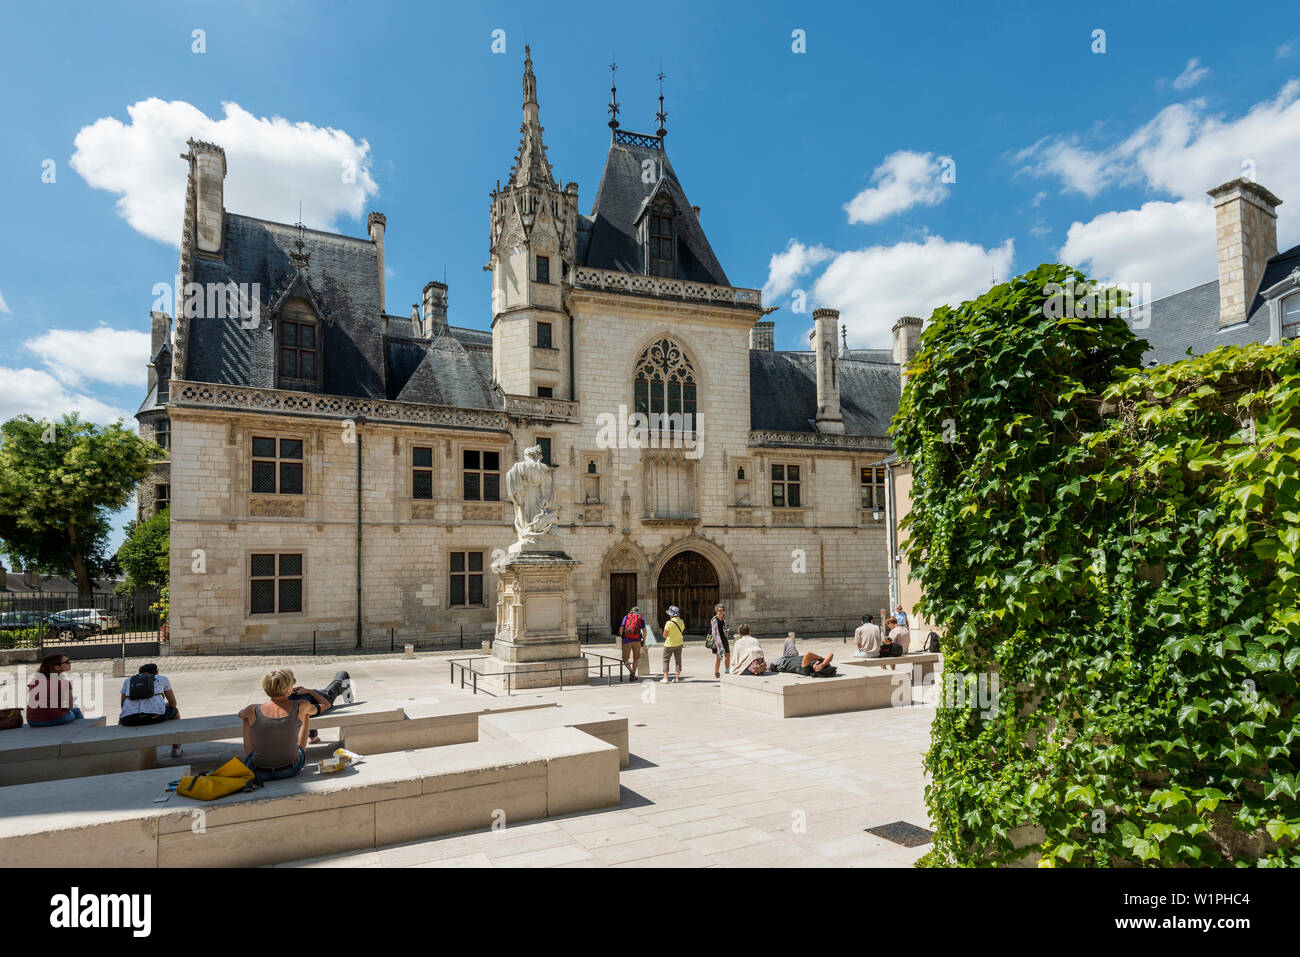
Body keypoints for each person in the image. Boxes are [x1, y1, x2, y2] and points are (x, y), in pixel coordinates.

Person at [238, 669, 313, 781]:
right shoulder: (301, 705)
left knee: (246, 718)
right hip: (290, 769)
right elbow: (314, 710)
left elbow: (240, 714)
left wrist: (247, 714)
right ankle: (298, 752)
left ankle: (251, 756)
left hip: (259, 771)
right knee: (306, 714)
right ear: (289, 689)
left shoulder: (253, 709)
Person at [119, 663, 183, 758]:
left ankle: (120, 750)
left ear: (139, 673)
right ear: (156, 672)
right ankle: (176, 748)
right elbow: (173, 703)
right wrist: (161, 706)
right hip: (155, 717)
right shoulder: (162, 679)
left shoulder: (128, 681)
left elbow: (123, 705)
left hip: (130, 719)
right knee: (175, 712)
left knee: (122, 717)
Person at [287, 670, 354, 745]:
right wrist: (310, 691)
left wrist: (292, 693)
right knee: (343, 674)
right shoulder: (302, 705)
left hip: (312, 697)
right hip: (324, 697)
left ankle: (313, 737)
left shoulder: (283, 701)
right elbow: (326, 705)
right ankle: (348, 696)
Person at [27, 654, 85, 727]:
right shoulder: (64, 683)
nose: (70, 663)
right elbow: (70, 707)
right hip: (55, 719)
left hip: (32, 721)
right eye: (67, 662)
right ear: (57, 667)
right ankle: (83, 731)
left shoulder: (34, 681)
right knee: (75, 709)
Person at [619, 606, 646, 679]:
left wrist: (622, 636)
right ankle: (633, 674)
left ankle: (631, 671)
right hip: (637, 640)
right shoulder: (641, 618)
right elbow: (644, 630)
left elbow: (621, 628)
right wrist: (644, 641)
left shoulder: (626, 617)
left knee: (625, 659)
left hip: (626, 640)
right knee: (636, 658)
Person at [661, 606, 686, 682]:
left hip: (669, 644)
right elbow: (682, 630)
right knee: (678, 660)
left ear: (671, 614)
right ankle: (677, 678)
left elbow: (664, 635)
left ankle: (665, 678)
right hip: (679, 643)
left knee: (666, 660)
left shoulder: (669, 623)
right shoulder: (681, 621)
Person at [710, 604, 731, 678]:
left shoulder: (724, 618)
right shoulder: (714, 619)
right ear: (716, 611)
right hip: (717, 641)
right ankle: (716, 672)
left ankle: (727, 670)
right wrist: (718, 642)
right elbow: (713, 632)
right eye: (719, 610)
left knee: (728, 655)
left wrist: (726, 631)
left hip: (724, 639)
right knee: (718, 658)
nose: (721, 612)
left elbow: (724, 628)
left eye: (722, 610)